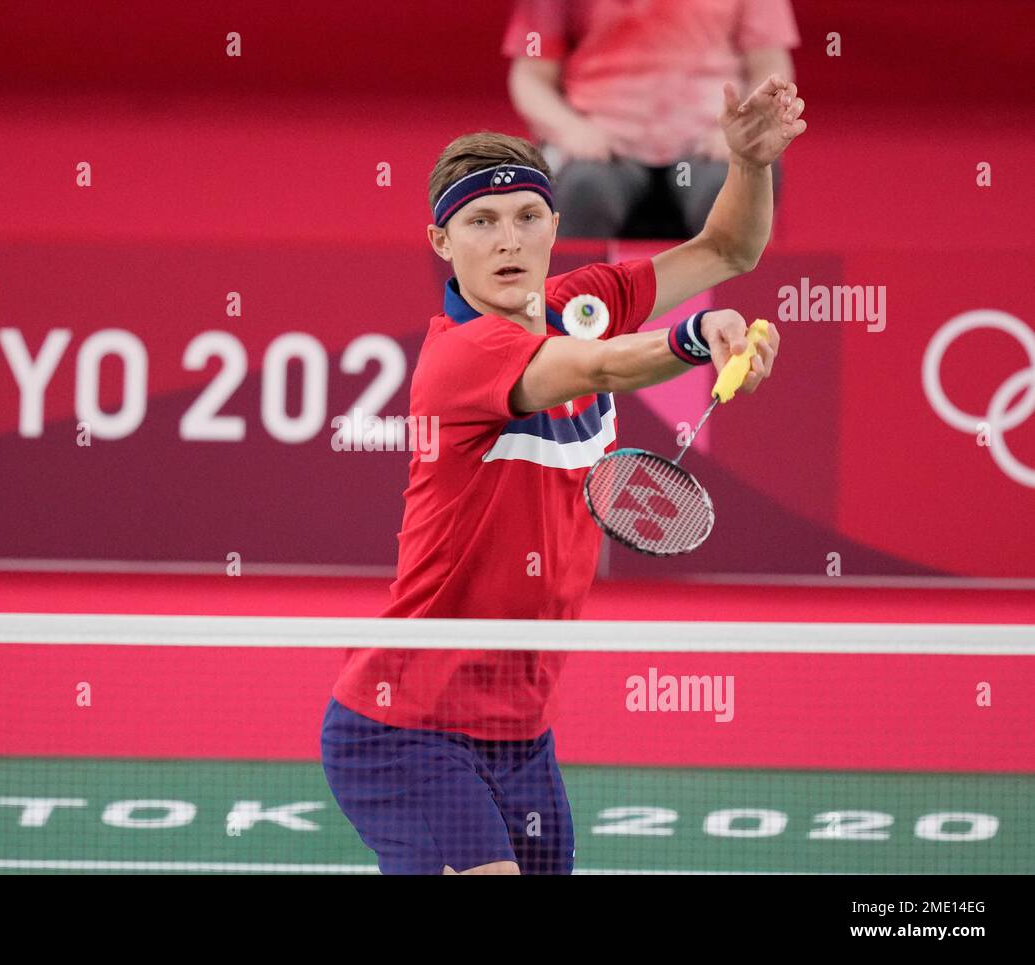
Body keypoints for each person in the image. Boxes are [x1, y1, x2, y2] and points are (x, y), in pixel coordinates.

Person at [321, 75, 805, 874]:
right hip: (405, 722)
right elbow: (601, 367)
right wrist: (694, 336)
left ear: (555, 225)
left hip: (519, 731)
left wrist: (747, 165)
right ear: (443, 241)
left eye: (526, 218)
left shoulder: (586, 301)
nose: (507, 240)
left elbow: (727, 251)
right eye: (480, 222)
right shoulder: (462, 356)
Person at [504, 0, 799, 239]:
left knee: (731, 193)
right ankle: (566, 309)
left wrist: (742, 128)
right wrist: (569, 130)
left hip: (710, 143)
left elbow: (770, 66)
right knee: (584, 188)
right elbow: (531, 76)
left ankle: (738, 310)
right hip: (602, 145)